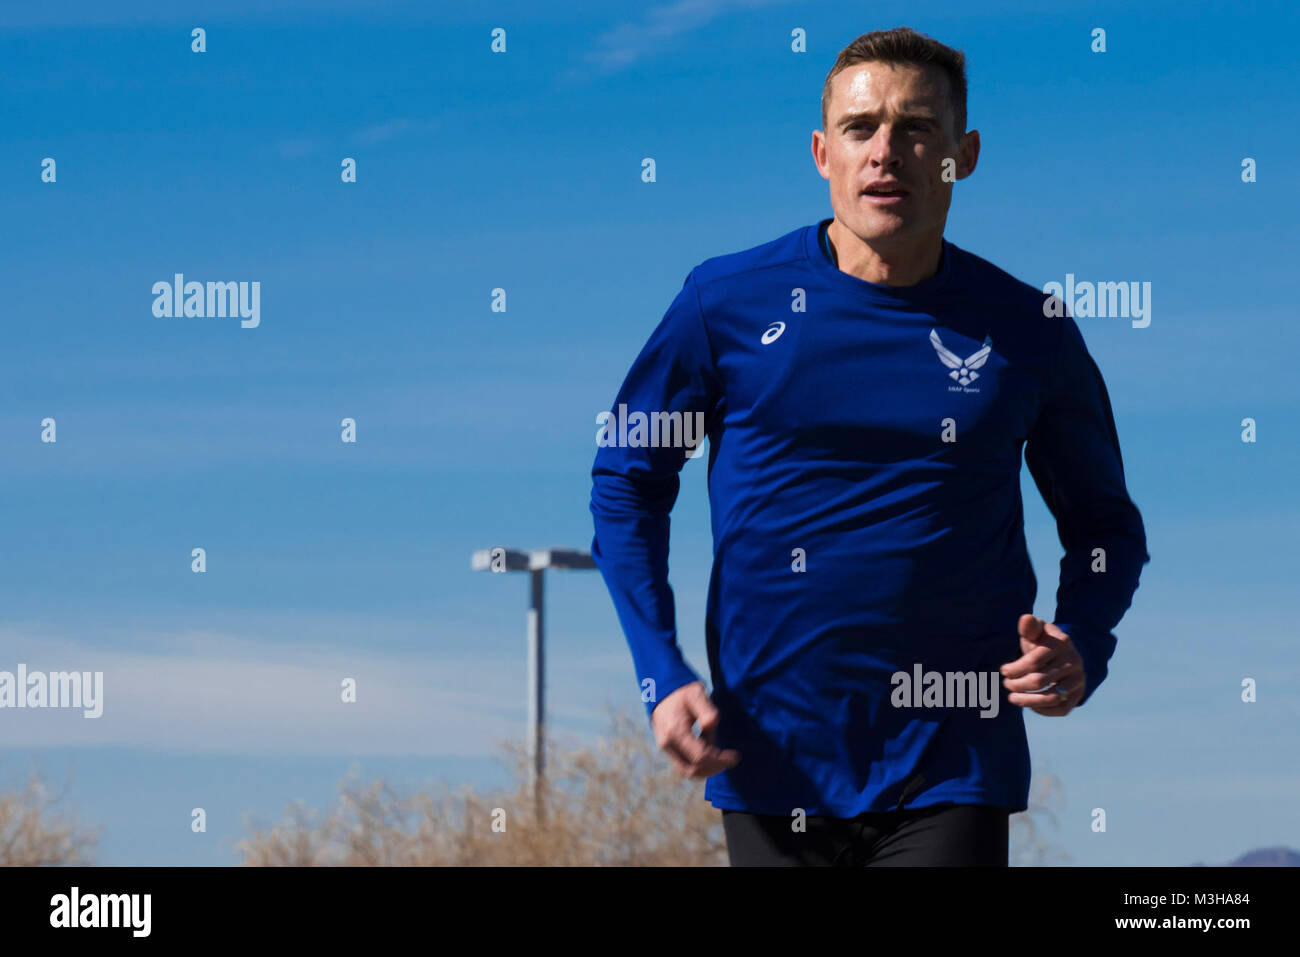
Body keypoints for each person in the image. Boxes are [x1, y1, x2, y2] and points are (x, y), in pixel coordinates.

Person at [589, 26, 1150, 866]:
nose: (887, 151)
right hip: (771, 760)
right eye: (861, 128)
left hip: (951, 764)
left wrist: (1084, 642)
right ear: (823, 151)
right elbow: (626, 482)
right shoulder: (723, 304)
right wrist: (661, 673)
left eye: (917, 128)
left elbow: (1106, 524)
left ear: (964, 154)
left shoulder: (1030, 331)